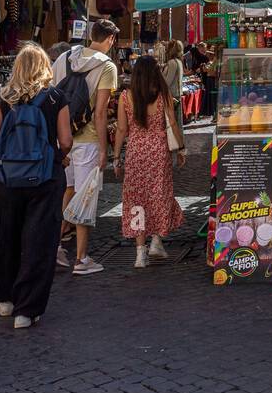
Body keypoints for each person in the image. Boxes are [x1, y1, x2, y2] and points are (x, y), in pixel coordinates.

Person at [0, 43, 72, 329]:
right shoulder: (56, 97)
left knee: (4, 237)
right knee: (39, 242)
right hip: (44, 179)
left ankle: (3, 298)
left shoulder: (2, 98)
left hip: (7, 180)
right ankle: (27, 310)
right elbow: (66, 141)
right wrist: (59, 158)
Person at [52, 18, 120, 276]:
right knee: (86, 197)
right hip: (88, 140)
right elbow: (100, 113)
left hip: (62, 139)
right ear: (110, 39)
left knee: (66, 193)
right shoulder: (107, 67)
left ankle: (54, 247)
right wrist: (106, 150)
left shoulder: (64, 58)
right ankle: (81, 258)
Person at [112, 56, 186, 268]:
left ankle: (140, 253)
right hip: (159, 152)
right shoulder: (163, 95)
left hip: (136, 153)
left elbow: (121, 129)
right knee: (159, 195)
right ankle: (156, 240)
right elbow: (172, 123)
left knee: (137, 199)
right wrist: (181, 148)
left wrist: (116, 158)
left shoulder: (126, 97)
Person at [162, 39, 186, 132]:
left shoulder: (172, 62)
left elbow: (167, 82)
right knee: (176, 125)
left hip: (172, 97)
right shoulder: (178, 62)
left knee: (172, 125)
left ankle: (176, 144)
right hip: (176, 96)